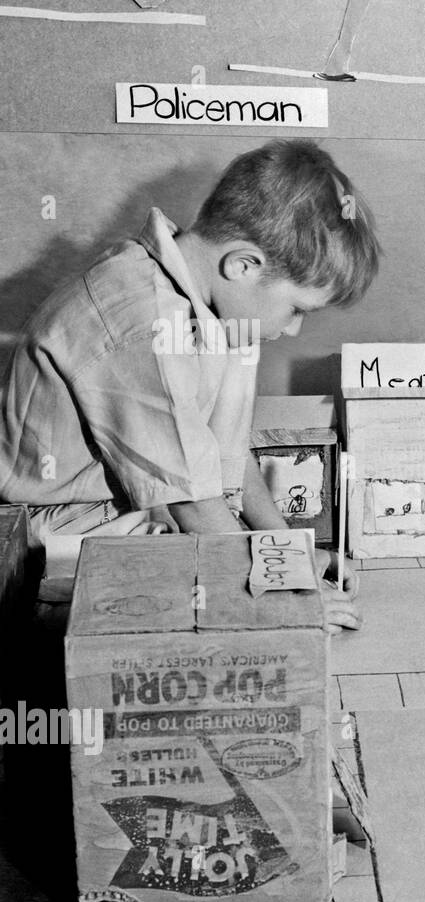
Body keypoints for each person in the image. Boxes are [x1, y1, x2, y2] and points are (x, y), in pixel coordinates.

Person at [0, 139, 381, 634]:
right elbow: (194, 502)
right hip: (51, 543)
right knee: (248, 626)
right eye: (298, 309)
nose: (293, 330)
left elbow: (222, 455)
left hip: (138, 514)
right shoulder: (142, 321)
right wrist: (290, 595)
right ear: (243, 265)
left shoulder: (217, 303)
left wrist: (288, 552)